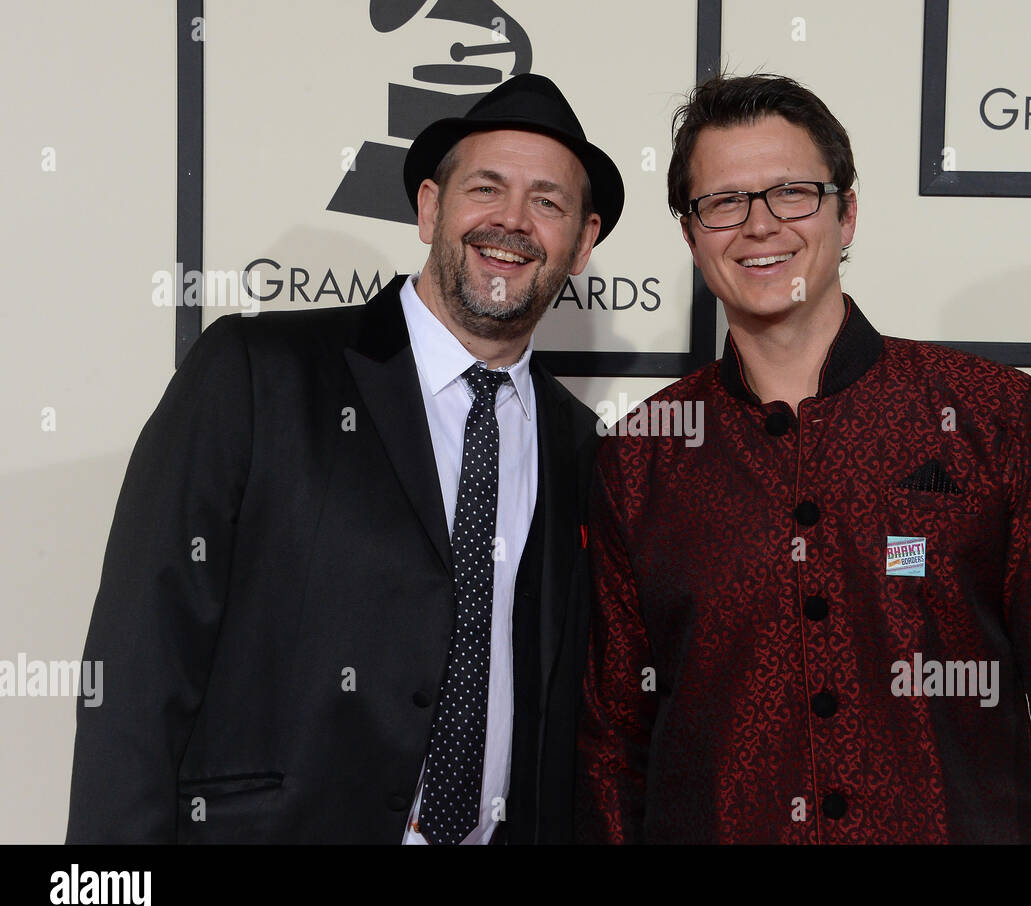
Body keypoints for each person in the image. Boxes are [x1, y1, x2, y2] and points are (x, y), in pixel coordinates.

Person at [576, 74, 1031, 844]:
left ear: (846, 213)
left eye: (792, 193)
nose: (760, 225)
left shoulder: (991, 416)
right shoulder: (640, 457)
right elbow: (612, 745)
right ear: (691, 235)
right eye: (725, 202)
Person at [66, 74, 623, 844]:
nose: (513, 222)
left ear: (583, 241)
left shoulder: (583, 446)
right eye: (486, 188)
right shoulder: (260, 373)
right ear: (430, 207)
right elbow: (139, 660)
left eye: (549, 203)